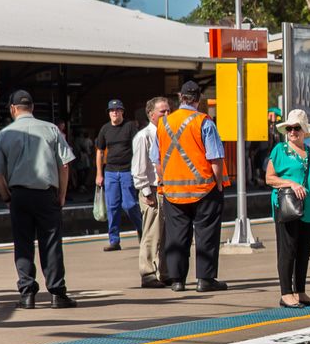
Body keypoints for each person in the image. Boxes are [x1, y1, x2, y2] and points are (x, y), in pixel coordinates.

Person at [0, 90, 78, 309]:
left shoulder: (4, 134)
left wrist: (7, 197)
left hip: (19, 195)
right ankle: (57, 293)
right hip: (46, 194)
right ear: (33, 108)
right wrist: (62, 194)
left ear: (13, 109)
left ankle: (27, 294)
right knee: (51, 243)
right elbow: (64, 165)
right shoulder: (52, 129)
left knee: (23, 243)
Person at [153, 80, 227, 292]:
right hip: (203, 189)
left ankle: (177, 280)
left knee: (176, 236)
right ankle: (205, 279)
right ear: (198, 99)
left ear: (180, 97)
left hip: (173, 191)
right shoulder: (204, 122)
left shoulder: (164, 124)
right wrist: (218, 184)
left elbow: (157, 161)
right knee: (206, 234)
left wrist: (166, 181)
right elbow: (215, 158)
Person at [265, 109, 310, 308]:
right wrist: (291, 184)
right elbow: (269, 178)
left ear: (304, 131)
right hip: (288, 207)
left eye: (297, 128)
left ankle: (300, 291)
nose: (293, 132)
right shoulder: (280, 150)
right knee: (288, 249)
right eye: (289, 128)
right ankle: (286, 293)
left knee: (304, 252)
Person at [132, 96, 170, 288]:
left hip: (167, 189)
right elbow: (138, 168)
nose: (167, 114)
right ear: (151, 114)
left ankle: (164, 271)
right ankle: (147, 273)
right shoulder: (143, 136)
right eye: (162, 111)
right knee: (151, 233)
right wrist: (146, 192)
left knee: (165, 235)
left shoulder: (168, 133)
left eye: (168, 110)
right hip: (152, 190)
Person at [95, 99, 141, 251]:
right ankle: (114, 240)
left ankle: (142, 232)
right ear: (109, 113)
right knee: (112, 207)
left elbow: (138, 148)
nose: (114, 112)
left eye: (117, 110)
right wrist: (99, 174)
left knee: (130, 205)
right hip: (110, 173)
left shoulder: (130, 126)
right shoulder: (105, 129)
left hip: (128, 171)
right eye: (111, 110)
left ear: (122, 111)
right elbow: (100, 152)